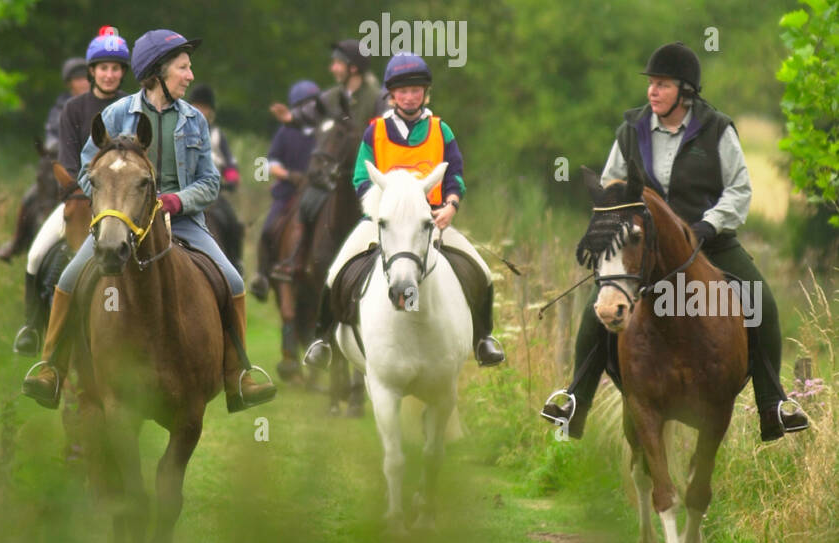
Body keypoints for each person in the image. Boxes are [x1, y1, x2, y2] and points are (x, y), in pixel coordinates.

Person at [541, 42, 809, 443]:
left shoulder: (717, 129)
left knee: (761, 302)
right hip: (642, 247)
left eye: (662, 84)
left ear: (685, 91)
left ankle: (773, 404)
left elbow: (739, 190)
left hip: (708, 244)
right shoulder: (630, 131)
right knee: (599, 306)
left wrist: (708, 226)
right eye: (651, 84)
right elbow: (612, 186)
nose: (652, 91)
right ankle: (575, 398)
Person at [22, 29, 275, 413]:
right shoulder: (115, 115)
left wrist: (177, 199)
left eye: (189, 68)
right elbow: (89, 173)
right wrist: (112, 205)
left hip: (183, 220)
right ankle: (50, 368)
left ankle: (239, 374)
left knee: (233, 279)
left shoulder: (195, 121)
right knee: (70, 276)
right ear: (158, 72)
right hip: (121, 219)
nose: (190, 76)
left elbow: (210, 182)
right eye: (183, 68)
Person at [303, 52, 505, 369]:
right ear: (392, 95)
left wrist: (450, 206)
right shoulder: (376, 131)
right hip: (383, 221)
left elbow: (454, 175)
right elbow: (360, 177)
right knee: (337, 270)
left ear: (425, 93)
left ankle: (483, 339)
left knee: (481, 270)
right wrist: (381, 211)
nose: (410, 97)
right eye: (403, 91)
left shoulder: (441, 130)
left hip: (430, 221)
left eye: (416, 90)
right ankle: (322, 339)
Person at [13, 27, 130, 354]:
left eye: (116, 68)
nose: (109, 74)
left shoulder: (133, 107)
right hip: (82, 197)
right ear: (92, 71)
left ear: (123, 72)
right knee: (36, 254)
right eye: (103, 68)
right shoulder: (73, 110)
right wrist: (93, 188)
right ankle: (32, 328)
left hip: (123, 202)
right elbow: (67, 160)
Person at [0, 56, 89, 263]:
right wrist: (59, 147)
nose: (83, 82)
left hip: (89, 166)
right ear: (69, 83)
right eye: (78, 79)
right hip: (63, 163)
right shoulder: (59, 108)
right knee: (29, 197)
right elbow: (52, 135)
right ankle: (16, 242)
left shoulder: (95, 104)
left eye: (86, 78)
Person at [250, 80, 321, 299]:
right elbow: (272, 164)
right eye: (304, 104)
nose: (309, 108)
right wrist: (290, 176)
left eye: (313, 103)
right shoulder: (285, 131)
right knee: (268, 229)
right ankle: (261, 275)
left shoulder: (324, 129)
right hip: (289, 192)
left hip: (319, 191)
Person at [271, 39, 385, 137]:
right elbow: (313, 111)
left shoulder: (377, 99)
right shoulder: (332, 96)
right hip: (337, 162)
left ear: (353, 68)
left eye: (338, 63)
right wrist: (291, 117)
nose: (332, 68)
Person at [189, 84, 244, 273]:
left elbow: (229, 162)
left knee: (232, 221)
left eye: (204, 107)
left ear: (210, 111)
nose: (200, 111)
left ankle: (236, 261)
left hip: (213, 193)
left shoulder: (217, 135)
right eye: (196, 106)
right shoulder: (182, 131)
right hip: (188, 190)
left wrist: (232, 178)